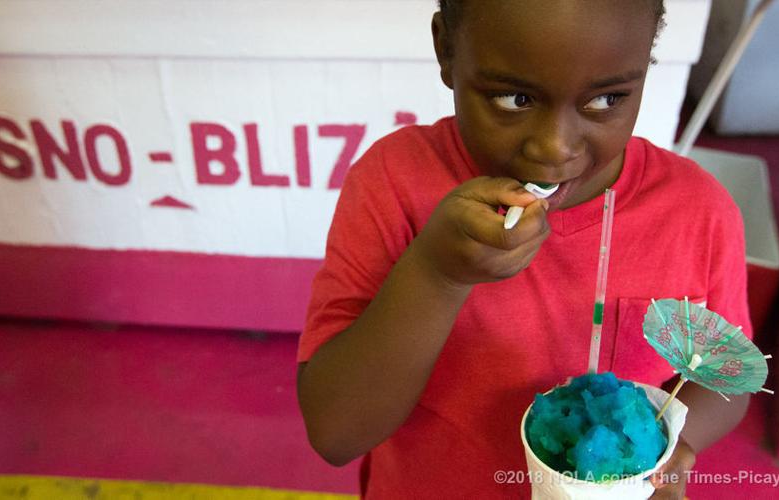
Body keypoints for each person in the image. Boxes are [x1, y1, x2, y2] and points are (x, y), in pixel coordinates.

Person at [296, 1, 752, 498]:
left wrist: (674, 448)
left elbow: (727, 375)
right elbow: (337, 432)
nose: (555, 148)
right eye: (514, 99)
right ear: (446, 50)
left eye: (606, 100)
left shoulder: (697, 212)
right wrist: (437, 274)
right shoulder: (392, 185)